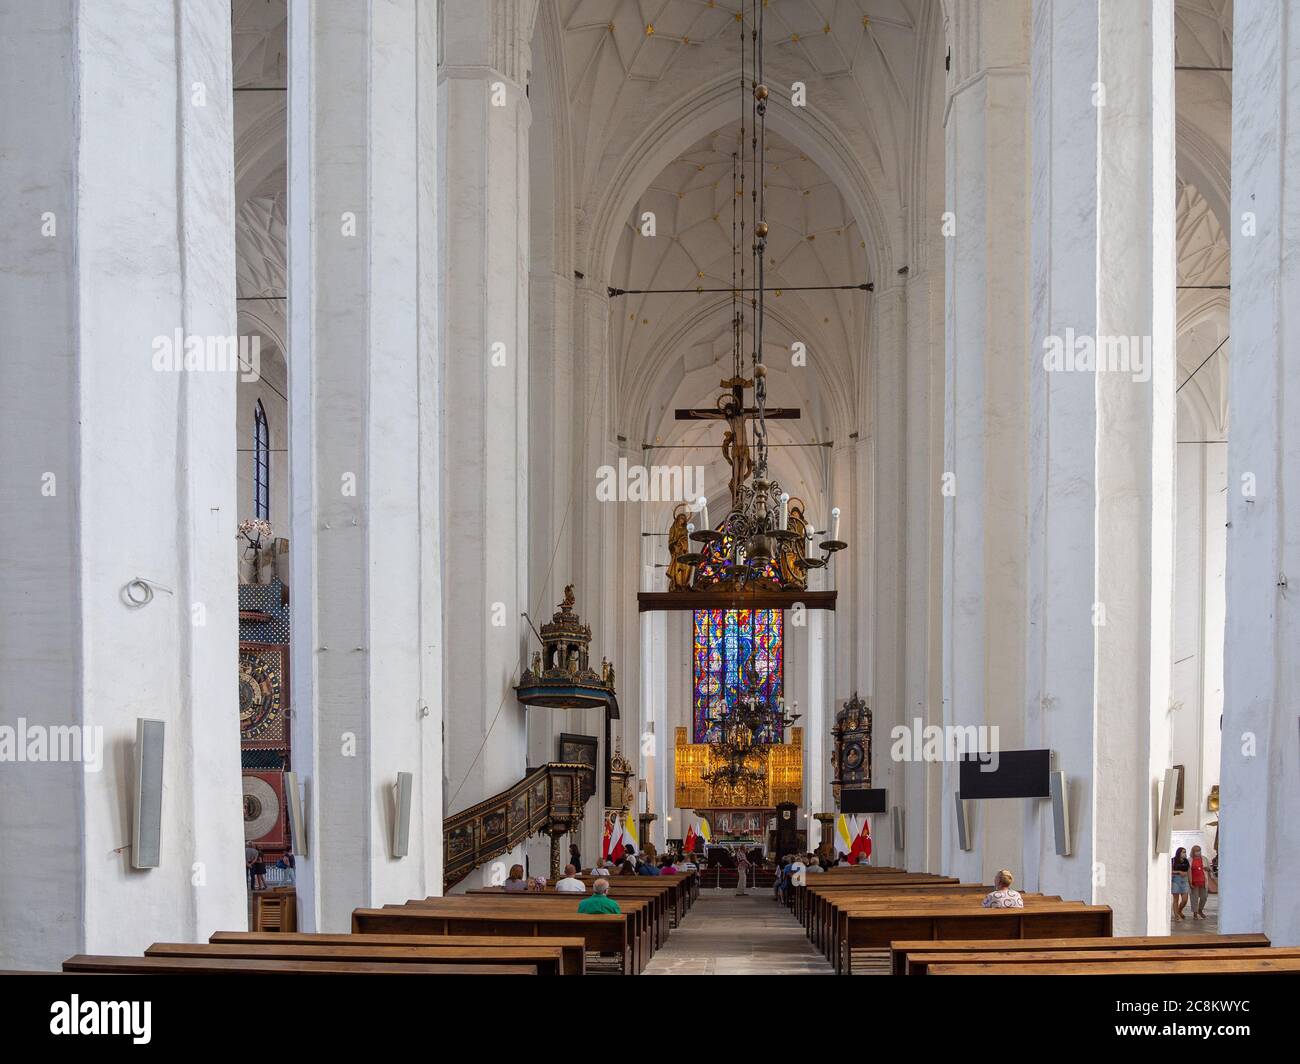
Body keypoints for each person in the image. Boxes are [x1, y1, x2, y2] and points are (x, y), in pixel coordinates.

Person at [1189, 845, 1210, 919]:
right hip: (1194, 882)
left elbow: (1209, 870)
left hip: (1203, 881)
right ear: (1193, 852)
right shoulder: (1190, 860)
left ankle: (1200, 910)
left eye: (1199, 850)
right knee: (1194, 898)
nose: (1198, 852)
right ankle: (1195, 913)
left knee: (1204, 897)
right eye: (1196, 851)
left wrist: (1208, 869)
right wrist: (1190, 882)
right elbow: (1188, 872)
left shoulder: (1204, 859)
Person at [1171, 847, 1191, 920]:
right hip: (1176, 880)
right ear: (1179, 853)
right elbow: (1170, 870)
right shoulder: (1173, 860)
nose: (1184, 853)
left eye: (1185, 852)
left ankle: (1179, 910)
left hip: (1184, 880)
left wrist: (1190, 881)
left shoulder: (1186, 861)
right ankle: (1176, 915)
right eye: (1183, 852)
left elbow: (1189, 871)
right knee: (1176, 899)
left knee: (1185, 899)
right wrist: (1179, 872)